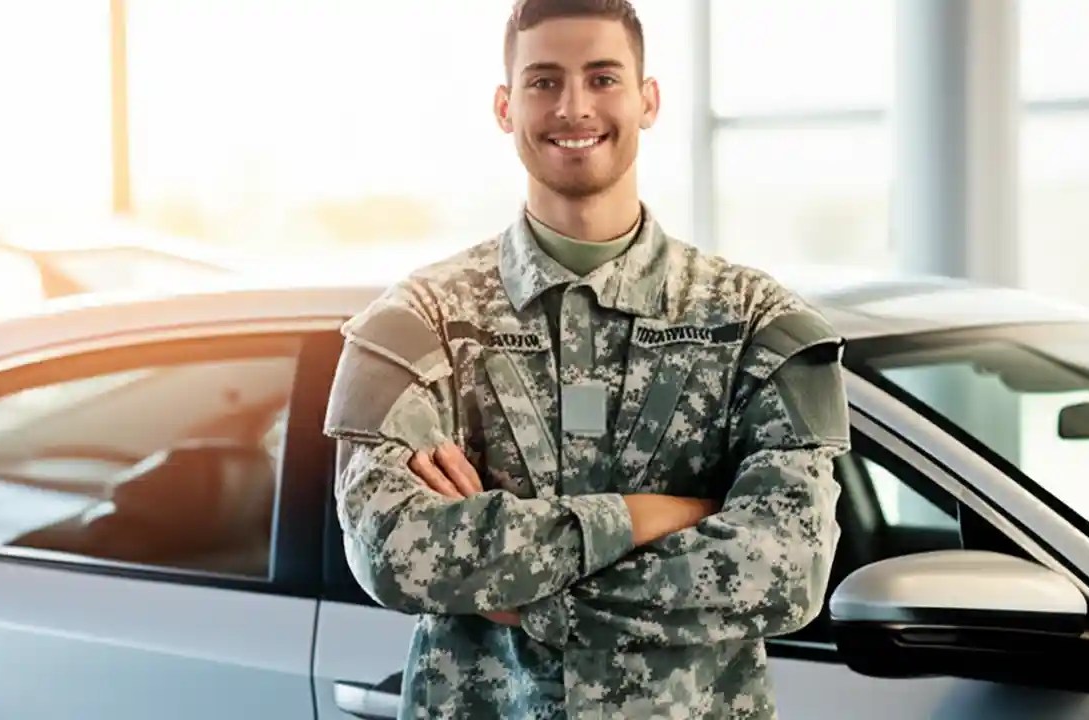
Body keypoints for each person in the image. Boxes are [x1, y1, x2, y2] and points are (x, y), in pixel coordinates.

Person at [323, 0, 850, 717]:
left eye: (603, 78)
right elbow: (395, 552)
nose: (573, 107)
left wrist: (524, 600)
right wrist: (649, 516)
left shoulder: (755, 322)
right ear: (505, 106)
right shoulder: (419, 325)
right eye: (544, 82)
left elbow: (787, 567)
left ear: (648, 99)